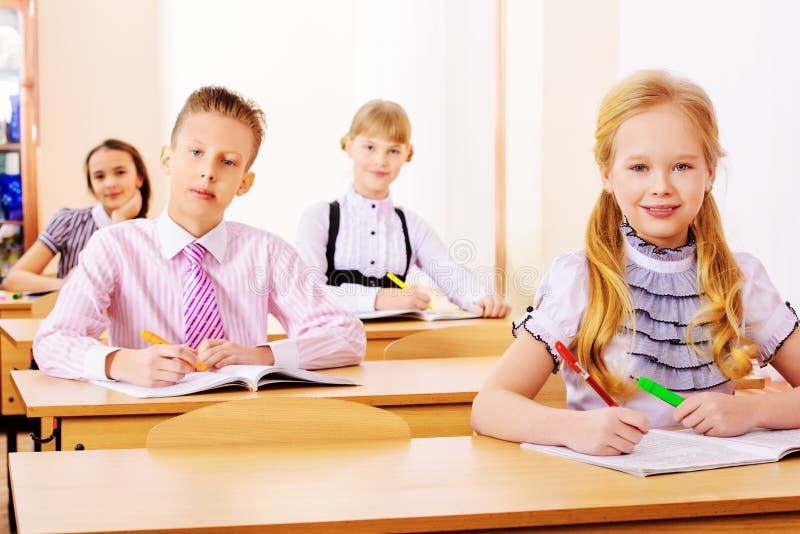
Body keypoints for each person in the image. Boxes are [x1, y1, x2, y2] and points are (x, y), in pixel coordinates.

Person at [471, 70, 800, 455]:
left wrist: (753, 410)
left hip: (714, 492)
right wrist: (571, 428)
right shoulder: (581, 279)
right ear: (607, 175)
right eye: (639, 167)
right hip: (607, 496)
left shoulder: (740, 279)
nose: (661, 185)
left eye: (682, 166)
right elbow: (489, 406)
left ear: (709, 173)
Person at [34, 86, 365, 387]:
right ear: (167, 159)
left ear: (244, 183)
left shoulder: (267, 252)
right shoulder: (114, 246)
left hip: (242, 424)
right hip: (141, 429)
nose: (209, 171)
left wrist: (262, 355)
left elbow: (347, 336)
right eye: (196, 153)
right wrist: (119, 362)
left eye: (228, 161)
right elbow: (51, 341)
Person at [295, 99, 511, 317]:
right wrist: (378, 298)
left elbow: (449, 272)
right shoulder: (319, 217)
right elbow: (306, 292)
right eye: (370, 147)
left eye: (393, 151)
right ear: (349, 145)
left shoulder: (412, 225)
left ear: (407, 154)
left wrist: (482, 298)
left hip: (396, 343)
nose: (380, 161)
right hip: (332, 341)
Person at [3, 139, 151, 292]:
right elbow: (13, 279)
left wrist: (118, 223)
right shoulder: (69, 221)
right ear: (91, 184)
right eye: (99, 176)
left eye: (120, 173)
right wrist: (66, 285)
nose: (109, 183)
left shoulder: (152, 234)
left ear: (139, 178)